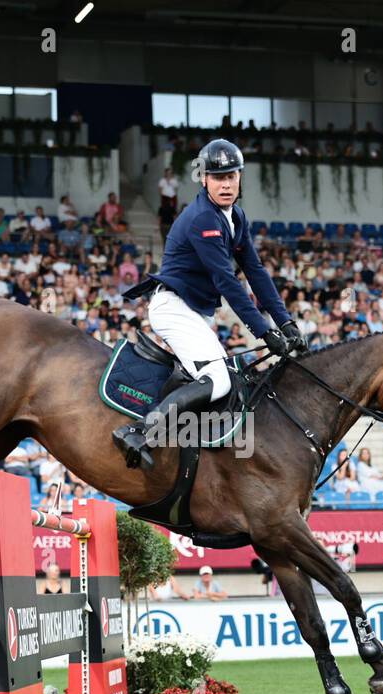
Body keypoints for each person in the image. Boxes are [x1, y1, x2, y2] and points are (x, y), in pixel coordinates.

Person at [113, 139, 306, 469]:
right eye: (218, 178)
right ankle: (138, 432)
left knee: (225, 378)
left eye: (231, 176)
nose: (226, 184)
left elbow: (255, 271)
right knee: (218, 379)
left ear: (240, 177)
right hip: (173, 307)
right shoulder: (203, 218)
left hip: (192, 311)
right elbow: (226, 281)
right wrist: (263, 332)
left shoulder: (236, 217)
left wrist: (285, 322)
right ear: (204, 179)